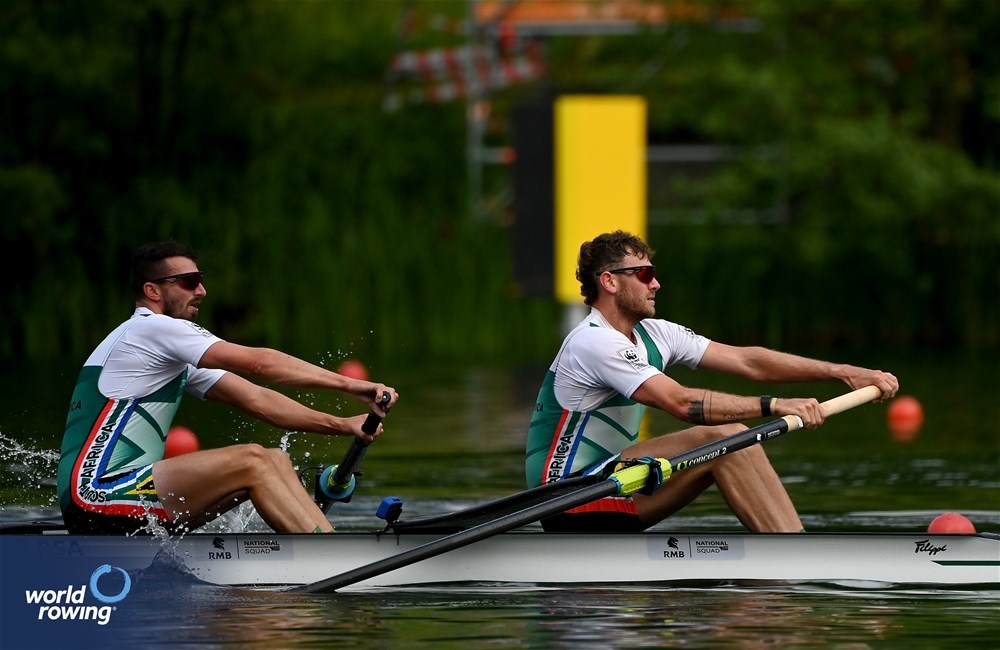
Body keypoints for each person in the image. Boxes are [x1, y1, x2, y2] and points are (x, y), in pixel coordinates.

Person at [525, 231, 898, 533]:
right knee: (726, 437)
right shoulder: (593, 341)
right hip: (568, 497)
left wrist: (841, 371)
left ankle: (792, 545)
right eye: (644, 274)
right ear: (609, 281)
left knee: (736, 441)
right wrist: (775, 406)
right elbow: (681, 404)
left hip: (618, 484)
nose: (656, 283)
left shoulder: (657, 334)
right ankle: (793, 556)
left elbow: (748, 361)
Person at [57, 241, 399, 535]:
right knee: (252, 460)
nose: (201, 291)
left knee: (274, 459)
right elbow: (259, 364)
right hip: (97, 496)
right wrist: (350, 384)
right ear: (153, 291)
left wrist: (342, 425)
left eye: (201, 281)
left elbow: (258, 399)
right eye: (190, 282)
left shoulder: (159, 352)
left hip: (119, 496)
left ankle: (325, 541)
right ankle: (330, 555)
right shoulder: (151, 329)